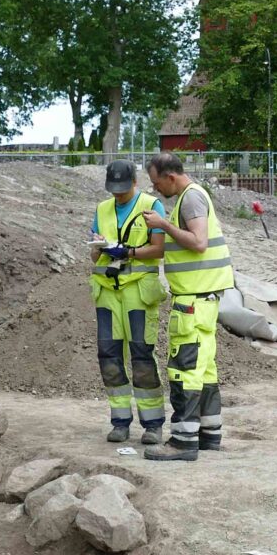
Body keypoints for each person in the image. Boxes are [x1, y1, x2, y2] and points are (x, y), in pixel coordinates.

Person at [141, 151, 234, 462]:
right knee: (204, 369)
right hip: (205, 298)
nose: (156, 190)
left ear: (171, 177)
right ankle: (209, 434)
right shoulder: (193, 197)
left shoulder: (191, 199)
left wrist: (163, 226)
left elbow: (198, 243)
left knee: (184, 369)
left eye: (156, 184)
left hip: (193, 300)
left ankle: (183, 441)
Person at [86, 160, 168, 444]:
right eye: (114, 190)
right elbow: (94, 257)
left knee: (142, 355)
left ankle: (153, 424)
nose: (118, 195)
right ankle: (120, 421)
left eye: (123, 189)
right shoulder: (102, 209)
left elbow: (158, 250)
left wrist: (127, 251)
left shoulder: (151, 206)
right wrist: (99, 247)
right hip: (107, 291)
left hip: (137, 292)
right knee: (108, 356)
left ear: (135, 182)